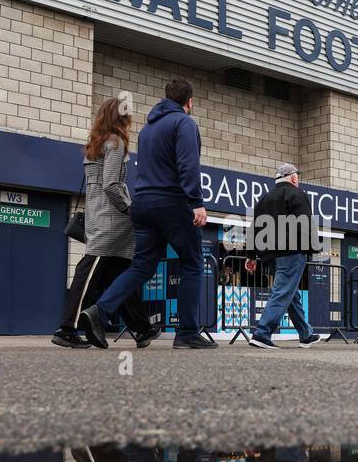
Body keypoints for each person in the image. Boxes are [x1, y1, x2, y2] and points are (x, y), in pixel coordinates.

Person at [81, 79, 213, 351]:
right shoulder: (184, 123)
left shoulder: (148, 128)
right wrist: (196, 202)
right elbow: (188, 165)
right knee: (191, 262)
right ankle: (187, 332)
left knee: (142, 266)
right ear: (189, 102)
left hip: (143, 203)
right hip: (172, 203)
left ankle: (99, 311)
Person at [53, 98, 158, 349]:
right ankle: (68, 328)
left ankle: (142, 328)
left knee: (119, 275)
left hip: (99, 216)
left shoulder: (98, 143)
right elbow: (111, 184)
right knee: (88, 271)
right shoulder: (116, 143)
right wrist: (130, 209)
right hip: (112, 221)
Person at [244, 163, 322, 349]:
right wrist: (313, 248)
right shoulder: (297, 194)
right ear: (293, 177)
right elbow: (306, 224)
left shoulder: (264, 198)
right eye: (298, 177)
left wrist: (251, 255)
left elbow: (255, 227)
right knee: (282, 292)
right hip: (292, 252)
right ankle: (262, 333)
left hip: (269, 255)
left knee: (290, 293)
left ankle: (306, 334)